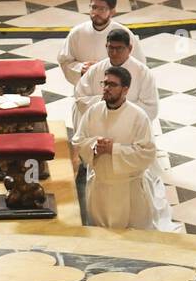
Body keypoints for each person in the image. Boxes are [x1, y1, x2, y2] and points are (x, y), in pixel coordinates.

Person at [72, 29, 180, 232]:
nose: (106, 89)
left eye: (112, 85)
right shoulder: (94, 111)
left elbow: (146, 152)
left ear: (125, 90)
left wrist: (114, 149)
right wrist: (95, 146)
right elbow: (79, 140)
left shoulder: (138, 116)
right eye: (104, 84)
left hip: (129, 188)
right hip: (101, 186)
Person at [59, 0, 146, 88]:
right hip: (86, 92)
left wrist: (105, 70)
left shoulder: (124, 34)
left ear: (112, 12)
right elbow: (65, 60)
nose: (96, 12)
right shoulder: (77, 32)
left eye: (102, 9)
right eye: (94, 7)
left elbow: (139, 67)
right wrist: (81, 69)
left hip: (115, 94)